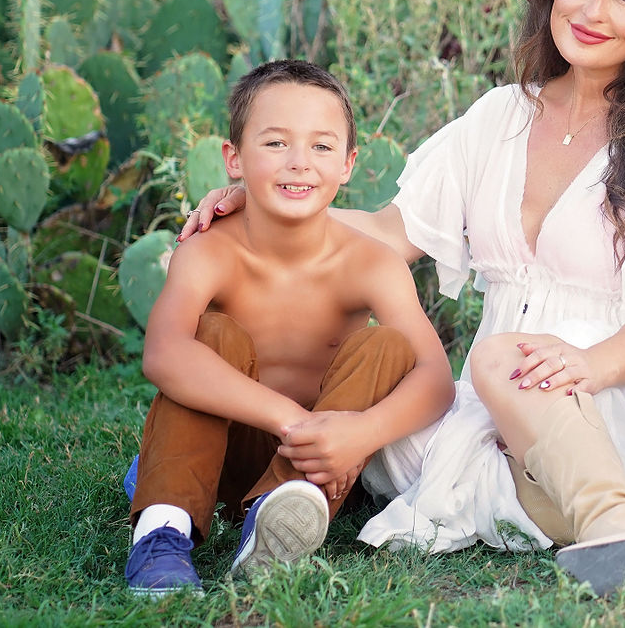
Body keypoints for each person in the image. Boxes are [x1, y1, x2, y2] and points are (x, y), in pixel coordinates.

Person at [181, 0, 625, 596]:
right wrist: (261, 201)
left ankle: (613, 512)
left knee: (502, 373)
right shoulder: (499, 115)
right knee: (383, 427)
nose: (592, 11)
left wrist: (584, 367)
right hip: (506, 384)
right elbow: (386, 232)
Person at [125, 60, 456, 597]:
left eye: (322, 147)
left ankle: (275, 521)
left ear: (348, 164)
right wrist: (291, 420)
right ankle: (162, 529)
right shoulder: (210, 251)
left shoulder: (370, 264)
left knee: (387, 344)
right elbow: (162, 354)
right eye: (276, 143)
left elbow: (436, 380)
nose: (300, 163)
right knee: (211, 337)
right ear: (233, 158)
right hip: (221, 445)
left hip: (316, 464)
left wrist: (361, 434)